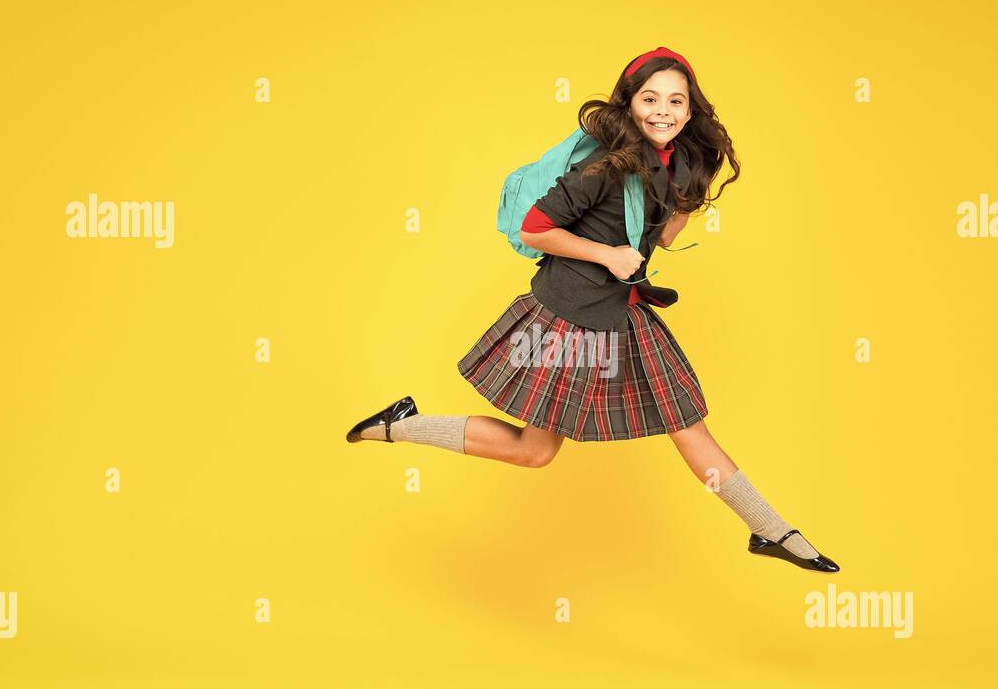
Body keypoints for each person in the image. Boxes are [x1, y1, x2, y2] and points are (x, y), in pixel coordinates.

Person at [346, 46, 839, 572]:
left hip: (622, 313)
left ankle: (769, 530)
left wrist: (690, 197)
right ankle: (405, 424)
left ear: (690, 110)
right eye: (650, 98)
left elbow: (665, 237)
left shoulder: (672, 164)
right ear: (629, 104)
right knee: (536, 452)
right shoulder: (605, 166)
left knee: (684, 424)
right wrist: (605, 253)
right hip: (570, 316)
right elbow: (536, 227)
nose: (663, 111)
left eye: (676, 101)